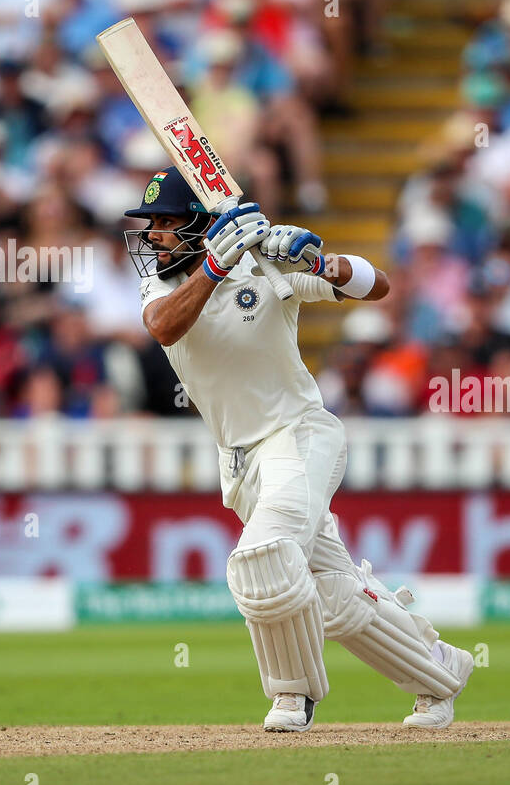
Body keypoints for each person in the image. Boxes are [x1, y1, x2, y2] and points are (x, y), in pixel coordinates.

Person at [125, 166, 474, 732]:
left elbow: (376, 285)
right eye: (150, 223)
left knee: (263, 559)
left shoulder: (265, 266)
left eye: (165, 222)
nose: (153, 235)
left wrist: (316, 261)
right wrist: (214, 266)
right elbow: (165, 327)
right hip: (241, 463)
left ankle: (293, 696)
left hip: (300, 435)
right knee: (335, 597)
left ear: (197, 223)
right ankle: (441, 672)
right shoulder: (164, 287)